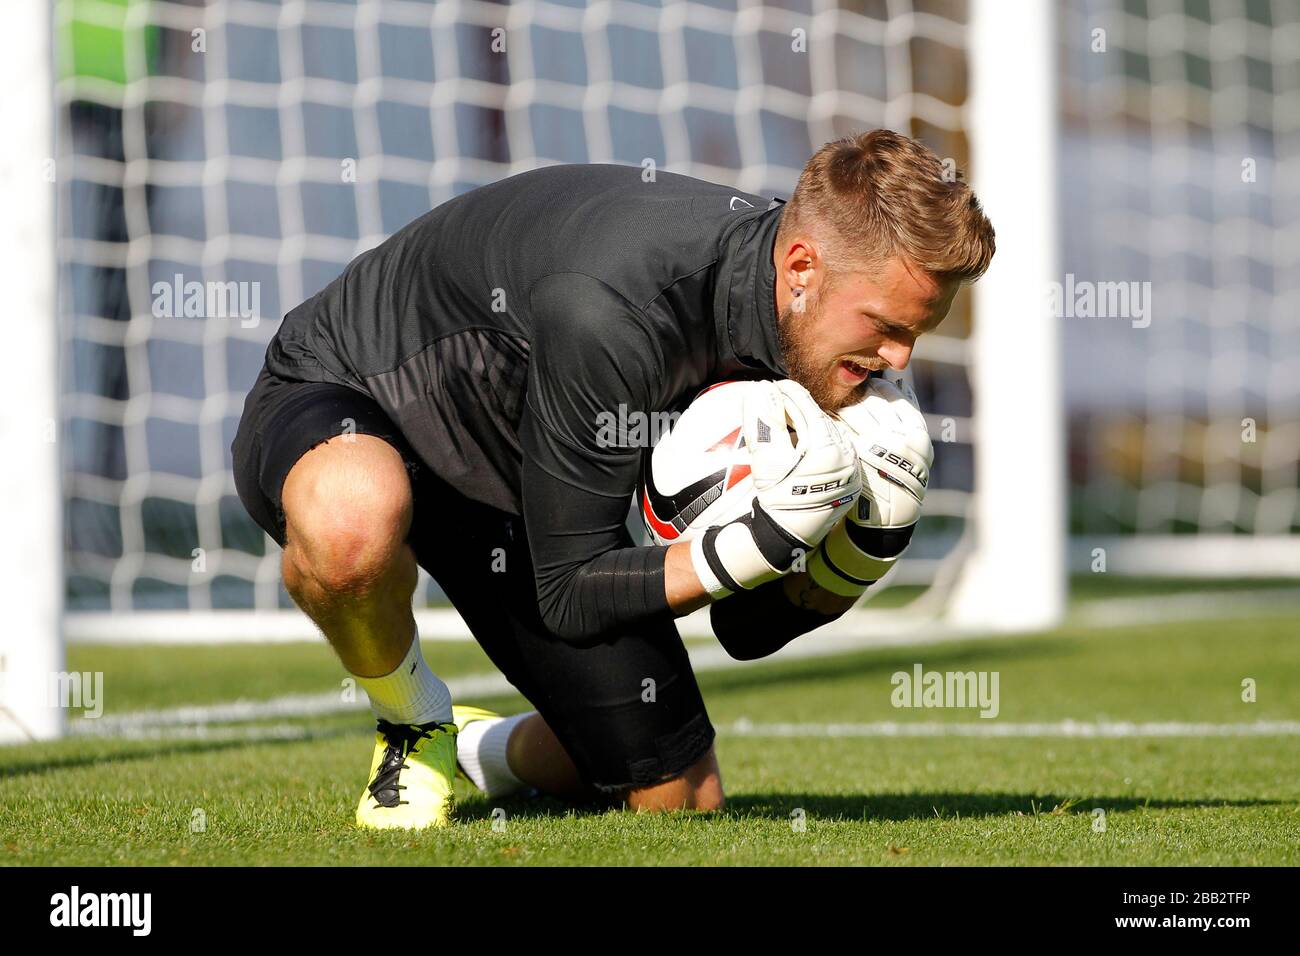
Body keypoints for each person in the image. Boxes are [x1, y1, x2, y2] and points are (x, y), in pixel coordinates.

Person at [231, 129, 995, 829]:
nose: (900, 361)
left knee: (679, 797)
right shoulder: (617, 312)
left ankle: (477, 749)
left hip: (519, 458)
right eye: (887, 327)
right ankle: (414, 720)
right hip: (360, 393)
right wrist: (750, 543)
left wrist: (855, 555)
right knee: (351, 520)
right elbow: (570, 588)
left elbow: (745, 629)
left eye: (915, 334)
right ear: (801, 267)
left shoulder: (809, 335)